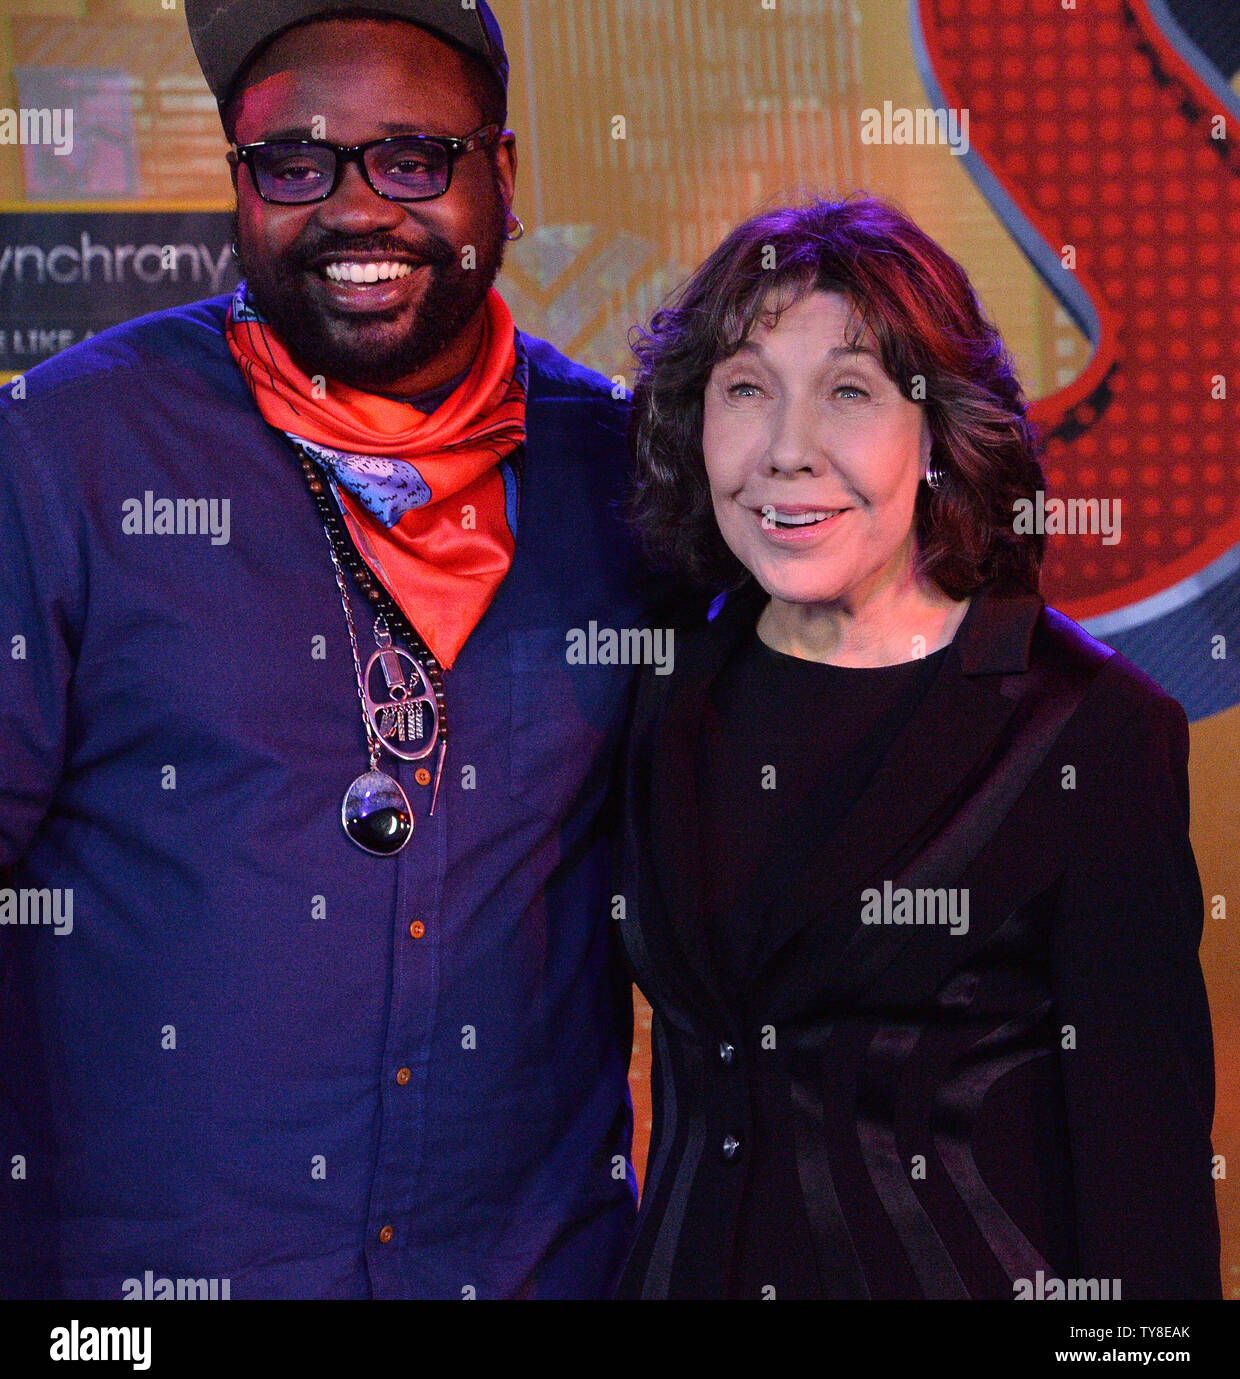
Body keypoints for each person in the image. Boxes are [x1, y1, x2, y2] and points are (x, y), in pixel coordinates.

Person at [0, 1, 662, 1299]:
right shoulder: (66, 454)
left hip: (529, 1271)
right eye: (295, 163)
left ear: (503, 175)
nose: (357, 209)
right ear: (239, 186)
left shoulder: (626, 475)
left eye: (413, 158)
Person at [615, 196, 1221, 1299]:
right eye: (746, 388)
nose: (786, 451)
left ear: (940, 433)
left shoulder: (1088, 729)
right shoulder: (660, 687)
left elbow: (1148, 1190)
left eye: (849, 392)